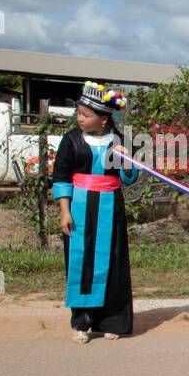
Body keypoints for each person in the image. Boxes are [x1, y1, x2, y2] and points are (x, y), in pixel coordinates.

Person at [52, 81, 137, 342]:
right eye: (78, 113)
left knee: (113, 263)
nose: (79, 118)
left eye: (85, 115)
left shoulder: (121, 141)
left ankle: (113, 321)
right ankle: (81, 322)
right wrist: (64, 211)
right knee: (80, 263)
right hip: (78, 207)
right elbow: (62, 177)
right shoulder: (70, 141)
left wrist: (126, 159)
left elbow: (130, 178)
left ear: (103, 119)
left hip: (111, 208)